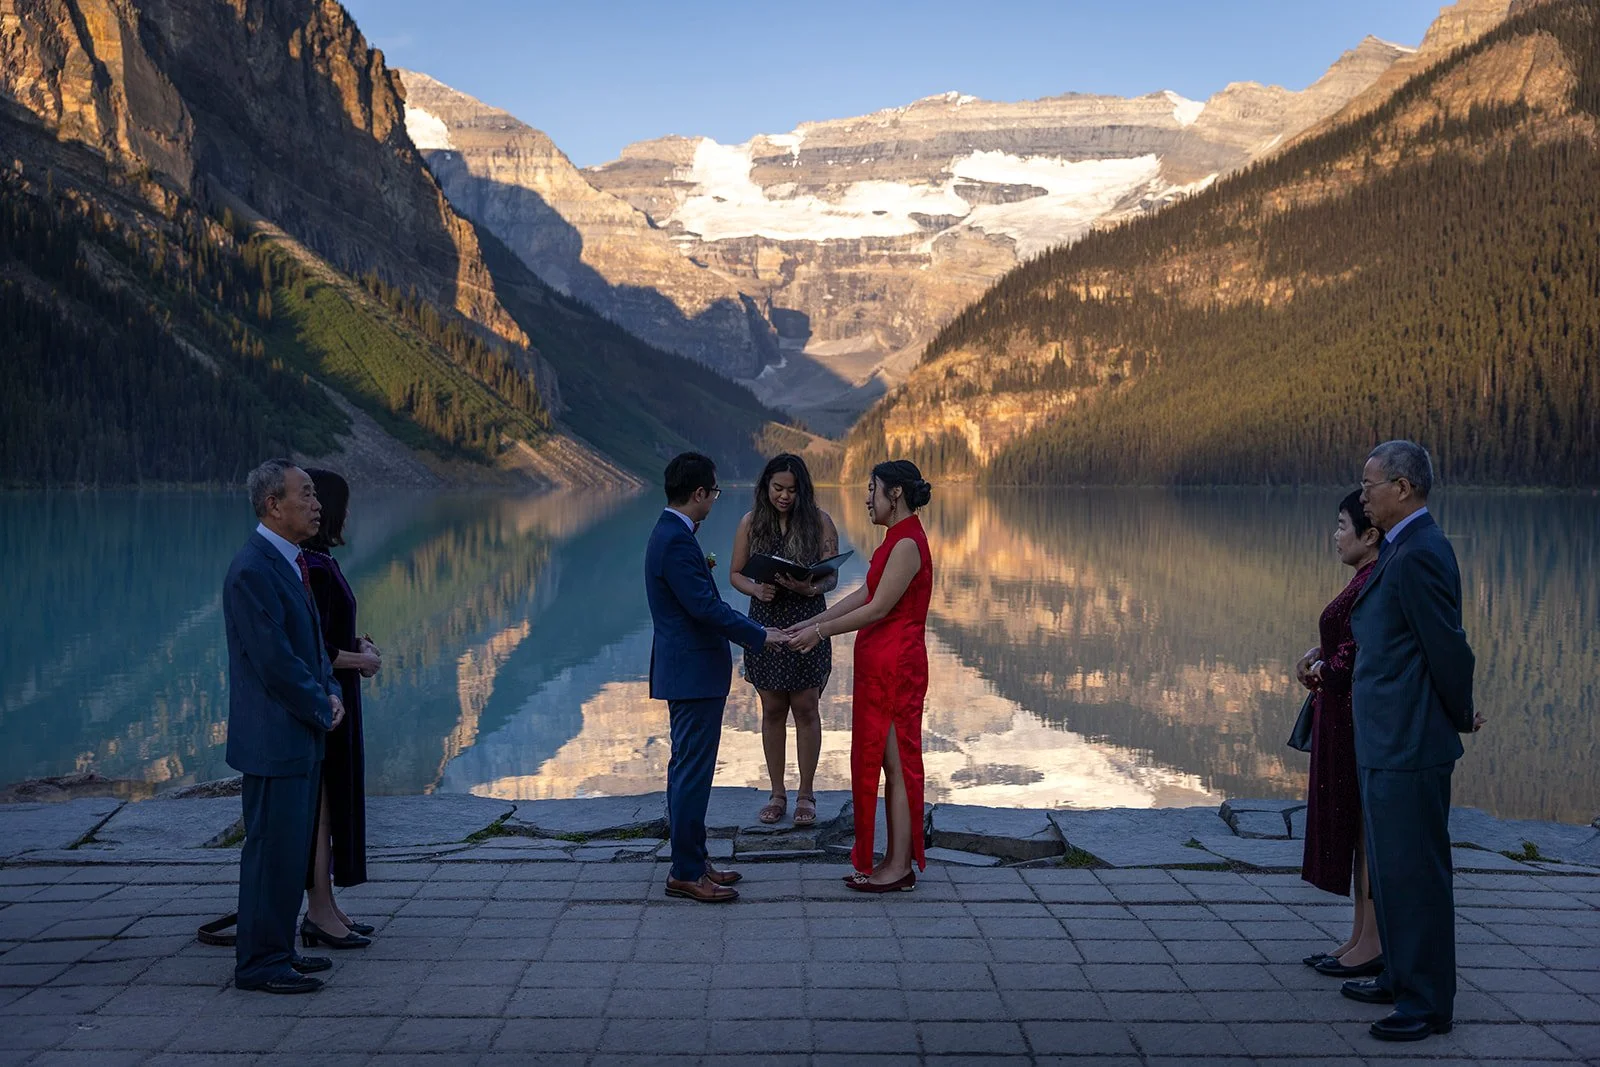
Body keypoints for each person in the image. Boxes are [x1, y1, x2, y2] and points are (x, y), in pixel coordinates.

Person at [1341, 441, 1477, 1042]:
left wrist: (1458, 713)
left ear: (1403, 488)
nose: (1362, 493)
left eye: (1370, 484)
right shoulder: (1399, 547)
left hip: (1411, 741)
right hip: (1385, 739)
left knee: (1416, 873)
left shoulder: (1422, 551)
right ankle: (1398, 975)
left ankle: (1427, 1004)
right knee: (1391, 871)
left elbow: (1446, 646)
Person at [645, 452, 790, 903]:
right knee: (691, 771)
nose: (714, 500)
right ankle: (686, 871)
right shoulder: (675, 541)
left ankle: (693, 858)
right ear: (699, 494)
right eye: (713, 492)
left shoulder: (674, 535)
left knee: (689, 768)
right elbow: (705, 609)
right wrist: (759, 635)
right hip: (692, 672)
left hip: (691, 671)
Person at [222, 459, 344, 994]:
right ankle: (259, 964)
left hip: (298, 735)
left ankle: (279, 950)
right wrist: (322, 705)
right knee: (271, 850)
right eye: (307, 494)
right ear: (274, 505)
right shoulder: (252, 570)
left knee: (288, 850)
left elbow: (312, 649)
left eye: (316, 495)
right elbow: (275, 662)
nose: (317, 504)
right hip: (275, 738)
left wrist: (332, 694)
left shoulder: (288, 562)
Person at [788, 460, 932, 892]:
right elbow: (866, 592)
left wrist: (819, 631)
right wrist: (814, 620)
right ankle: (893, 859)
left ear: (896, 494)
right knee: (886, 762)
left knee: (897, 762)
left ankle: (899, 865)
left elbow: (879, 609)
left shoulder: (907, 543)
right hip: (881, 665)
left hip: (897, 666)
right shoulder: (895, 540)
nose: (866, 498)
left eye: (873, 489)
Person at [1296, 490, 1381, 978]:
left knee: (1364, 832)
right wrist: (1318, 655)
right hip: (1341, 718)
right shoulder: (1364, 579)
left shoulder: (1374, 580)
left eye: (1342, 525)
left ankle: (1370, 942)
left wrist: (1324, 666)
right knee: (1354, 831)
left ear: (1370, 536)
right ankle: (1357, 936)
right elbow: (1345, 639)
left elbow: (1361, 648)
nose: (1335, 534)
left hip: (1354, 724)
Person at [729, 454, 839, 827]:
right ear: (765, 487)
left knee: (807, 707)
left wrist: (808, 586)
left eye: (792, 490)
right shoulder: (750, 523)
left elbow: (832, 578)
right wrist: (757, 590)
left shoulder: (820, 522)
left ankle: (806, 793)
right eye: (778, 488)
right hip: (765, 622)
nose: (785, 496)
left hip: (809, 621)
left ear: (802, 491)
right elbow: (735, 575)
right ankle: (777, 793)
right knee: (772, 709)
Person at [298, 469, 380, 950]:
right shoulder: (315, 565)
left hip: (338, 694)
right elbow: (315, 647)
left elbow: (327, 634)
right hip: (330, 699)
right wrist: (361, 659)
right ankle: (320, 913)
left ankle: (326, 907)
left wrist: (355, 646)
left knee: (330, 805)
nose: (346, 513)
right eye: (341, 503)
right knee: (325, 806)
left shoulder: (319, 560)